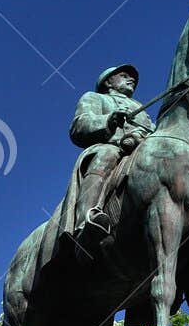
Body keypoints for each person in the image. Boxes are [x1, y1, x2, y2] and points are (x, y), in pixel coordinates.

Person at [59, 64, 154, 254]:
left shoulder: (141, 109)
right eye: (124, 75)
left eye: (132, 78)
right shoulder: (95, 98)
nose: (131, 80)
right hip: (112, 148)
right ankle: (87, 220)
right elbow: (79, 126)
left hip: (141, 150)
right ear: (109, 81)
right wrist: (108, 120)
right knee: (107, 155)